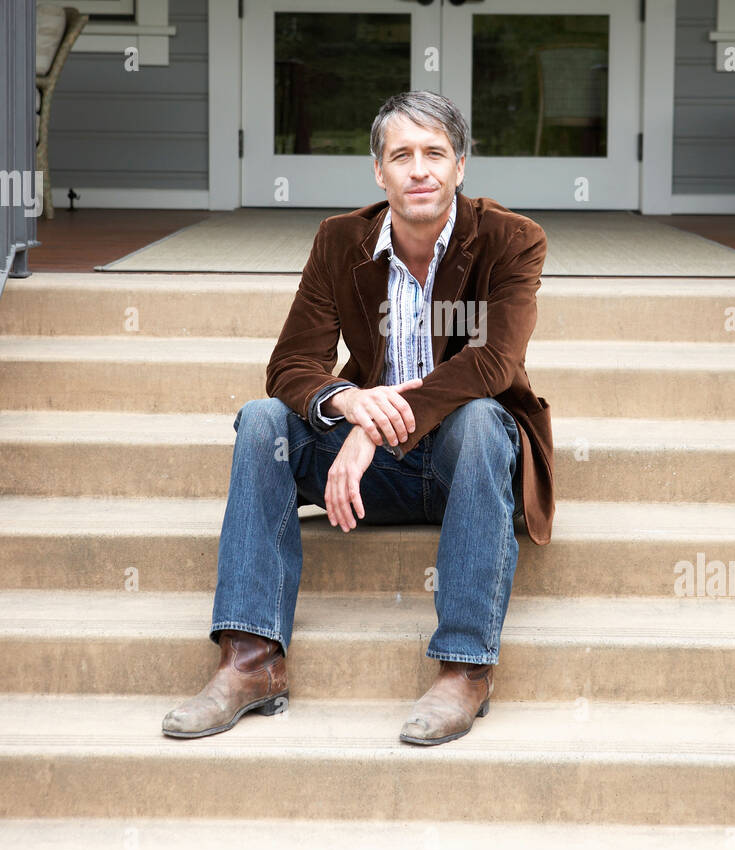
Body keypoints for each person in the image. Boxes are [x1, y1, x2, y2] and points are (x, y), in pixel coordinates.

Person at [162, 90, 554, 747]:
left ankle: (465, 668)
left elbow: (493, 361)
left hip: (464, 464)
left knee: (485, 419)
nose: (419, 169)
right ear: (380, 171)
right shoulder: (340, 240)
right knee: (262, 420)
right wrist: (344, 403)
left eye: (435, 153)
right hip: (376, 477)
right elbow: (290, 366)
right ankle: (250, 660)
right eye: (402, 155)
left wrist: (371, 428)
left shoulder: (511, 240)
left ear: (461, 165)